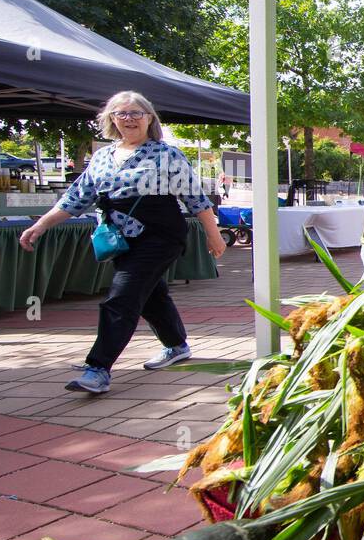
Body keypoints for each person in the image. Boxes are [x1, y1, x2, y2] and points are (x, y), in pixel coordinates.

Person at [18, 91, 227, 395]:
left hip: (161, 233)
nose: (129, 118)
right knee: (151, 294)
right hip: (121, 237)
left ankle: (98, 368)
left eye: (136, 113)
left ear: (149, 118)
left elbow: (196, 198)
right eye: (122, 113)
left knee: (123, 295)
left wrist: (214, 234)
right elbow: (76, 198)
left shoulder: (166, 154)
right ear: (111, 119)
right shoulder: (103, 156)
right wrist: (40, 225)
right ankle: (176, 345)